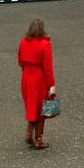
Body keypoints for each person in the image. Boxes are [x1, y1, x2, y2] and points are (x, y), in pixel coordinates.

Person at [17, 17, 56, 150]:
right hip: (39, 79)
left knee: (31, 106)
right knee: (41, 109)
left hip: (26, 78)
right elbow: (48, 67)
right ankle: (38, 139)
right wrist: (51, 85)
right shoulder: (45, 44)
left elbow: (20, 61)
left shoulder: (23, 42)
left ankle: (29, 133)